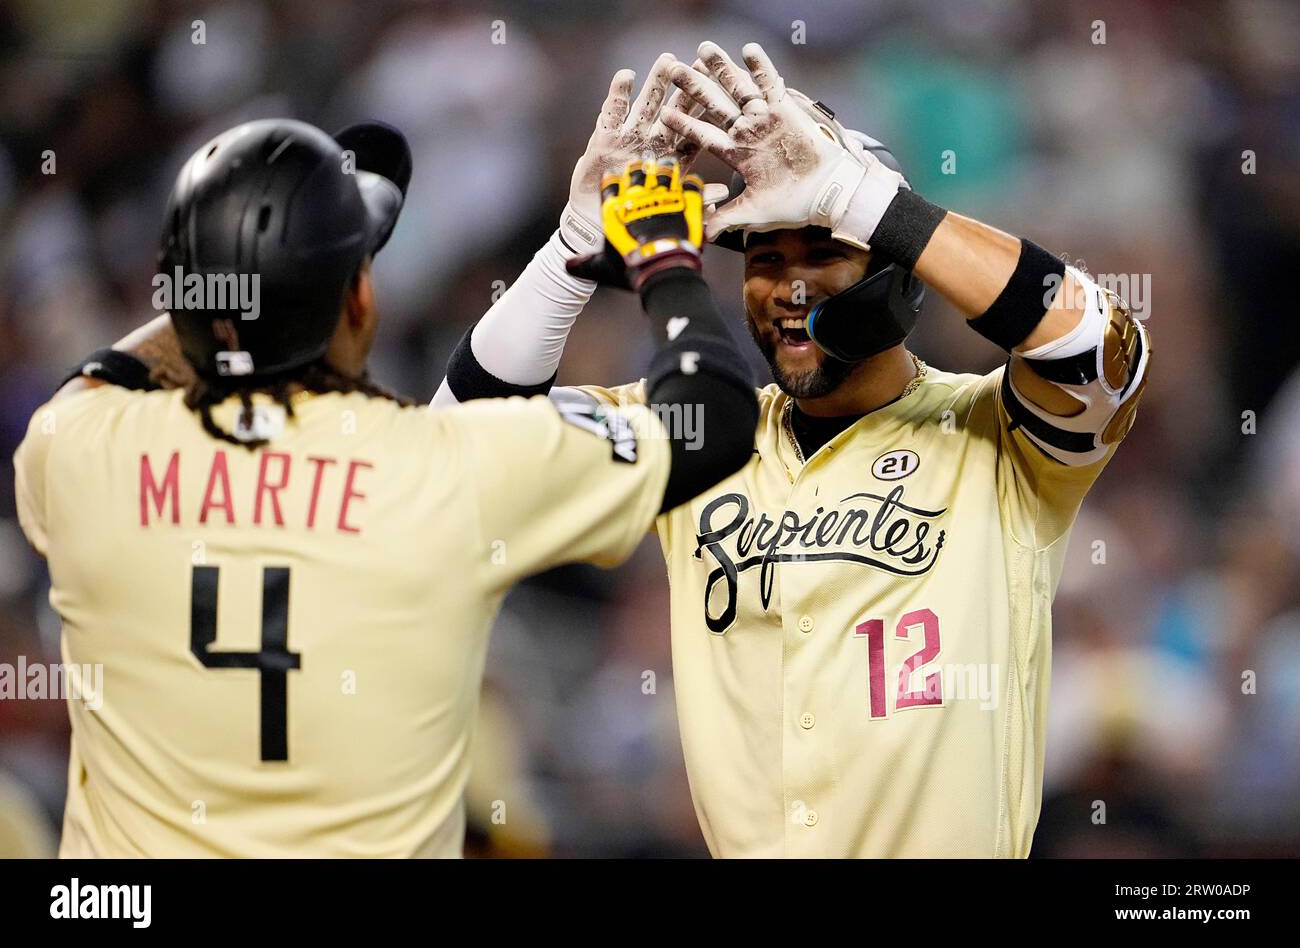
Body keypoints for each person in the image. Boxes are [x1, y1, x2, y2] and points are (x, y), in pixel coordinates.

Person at [436, 43, 1151, 857]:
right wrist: (572, 245)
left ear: (902, 273)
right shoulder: (696, 434)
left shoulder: (997, 437)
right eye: (766, 258)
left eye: (823, 250)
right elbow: (454, 457)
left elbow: (1103, 347)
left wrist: (864, 199)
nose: (788, 284)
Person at [12, 114, 756, 857]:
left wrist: (251, 260)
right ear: (361, 303)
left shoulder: (75, 447)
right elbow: (712, 416)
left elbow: (110, 371)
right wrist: (662, 257)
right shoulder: (437, 467)